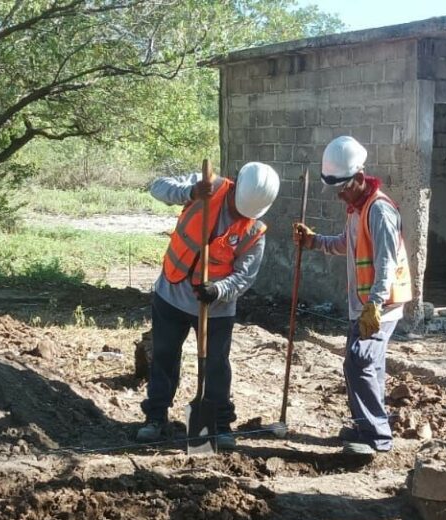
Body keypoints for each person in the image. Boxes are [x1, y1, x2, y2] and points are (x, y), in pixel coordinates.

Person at [137, 161, 279, 450]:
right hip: (172, 292)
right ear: (235, 186)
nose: (240, 215)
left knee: (216, 366)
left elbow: (245, 276)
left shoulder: (254, 230)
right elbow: (157, 187)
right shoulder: (208, 185)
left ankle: (219, 424)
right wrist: (190, 192)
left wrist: (218, 290)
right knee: (164, 356)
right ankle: (155, 417)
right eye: (239, 208)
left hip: (215, 308)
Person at [292, 136, 413, 456]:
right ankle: (366, 426)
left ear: (359, 178)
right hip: (365, 304)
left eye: (343, 187)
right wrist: (314, 242)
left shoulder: (380, 211)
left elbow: (386, 263)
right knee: (366, 365)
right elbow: (346, 244)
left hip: (381, 304)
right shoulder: (356, 209)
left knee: (359, 362)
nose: (339, 194)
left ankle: (376, 437)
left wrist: (374, 304)